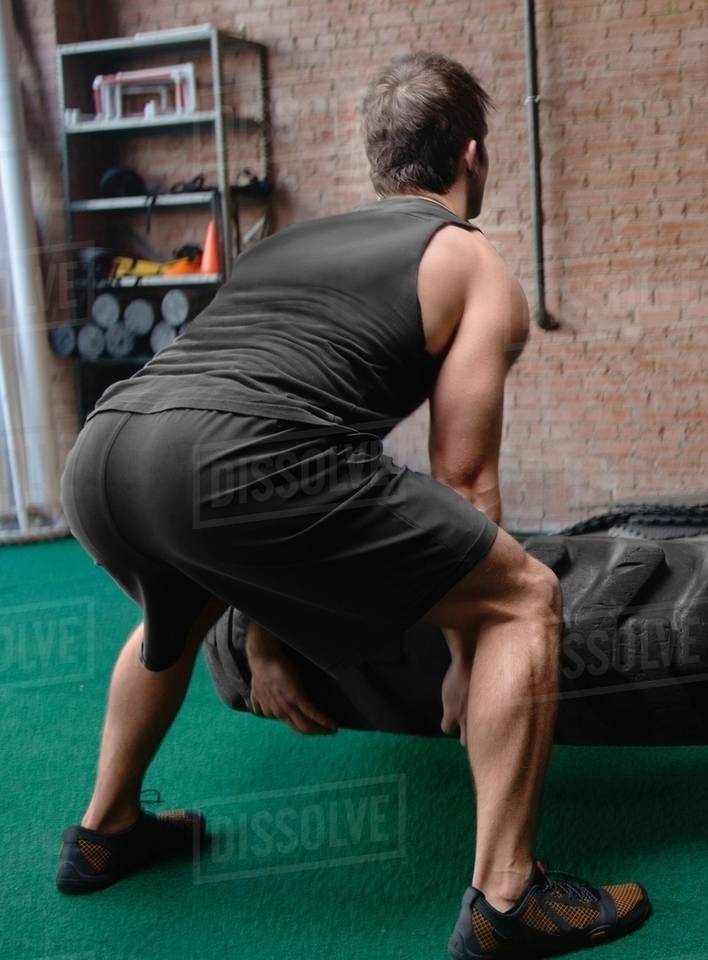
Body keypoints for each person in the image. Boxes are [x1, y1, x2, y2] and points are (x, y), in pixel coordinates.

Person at [55, 50, 650, 958]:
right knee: (523, 596)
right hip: (223, 462)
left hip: (105, 449)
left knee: (170, 614)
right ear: (474, 155)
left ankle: (105, 831)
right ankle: (509, 897)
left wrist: (260, 633)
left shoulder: (284, 246)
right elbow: (463, 477)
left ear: (381, 166)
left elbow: (240, 460)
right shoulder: (469, 263)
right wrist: (466, 645)